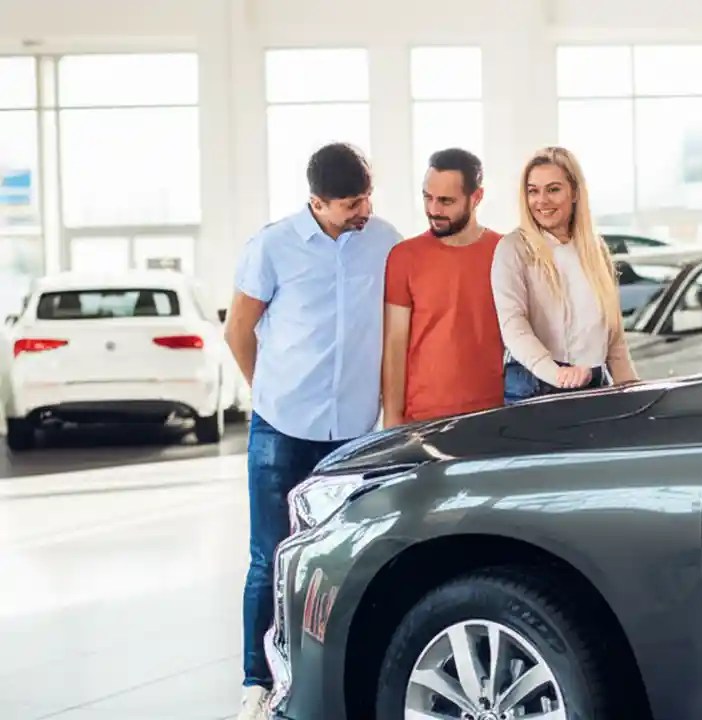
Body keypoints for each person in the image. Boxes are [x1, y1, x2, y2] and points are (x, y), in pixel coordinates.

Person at [222, 142, 400, 720]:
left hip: (352, 432)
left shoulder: (385, 241)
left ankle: (337, 676)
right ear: (317, 202)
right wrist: (266, 393)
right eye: (350, 203)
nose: (362, 210)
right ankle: (257, 680)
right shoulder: (272, 246)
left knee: (346, 559)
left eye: (366, 196)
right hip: (282, 426)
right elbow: (238, 330)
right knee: (270, 556)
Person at [491, 146, 638, 402]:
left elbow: (614, 338)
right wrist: (556, 373)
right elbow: (514, 326)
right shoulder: (512, 248)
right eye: (533, 191)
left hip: (594, 384)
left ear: (574, 193)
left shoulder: (595, 249)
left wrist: (633, 391)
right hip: (534, 386)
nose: (542, 201)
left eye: (553, 189)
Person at [382, 148, 505, 425]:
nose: (434, 210)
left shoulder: (505, 252)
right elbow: (395, 344)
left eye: (446, 201)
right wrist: (391, 418)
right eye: (428, 197)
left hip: (493, 415)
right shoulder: (404, 257)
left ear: (477, 197)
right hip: (422, 421)